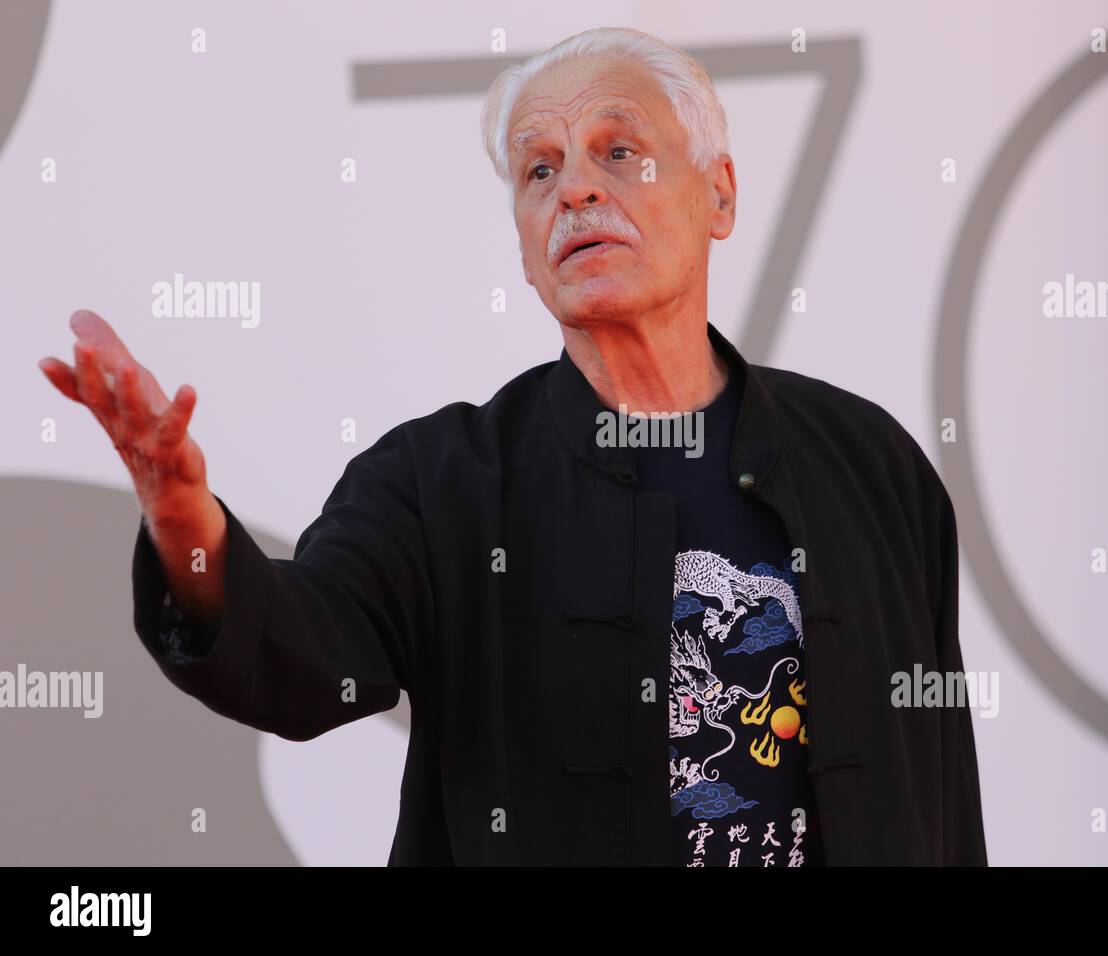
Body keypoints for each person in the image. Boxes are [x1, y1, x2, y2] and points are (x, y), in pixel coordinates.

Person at [36, 26, 986, 866]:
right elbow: (297, 662)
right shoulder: (441, 484)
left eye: (620, 151)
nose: (574, 186)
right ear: (526, 251)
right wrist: (180, 517)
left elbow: (945, 797)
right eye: (540, 169)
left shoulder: (873, 468)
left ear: (720, 196)